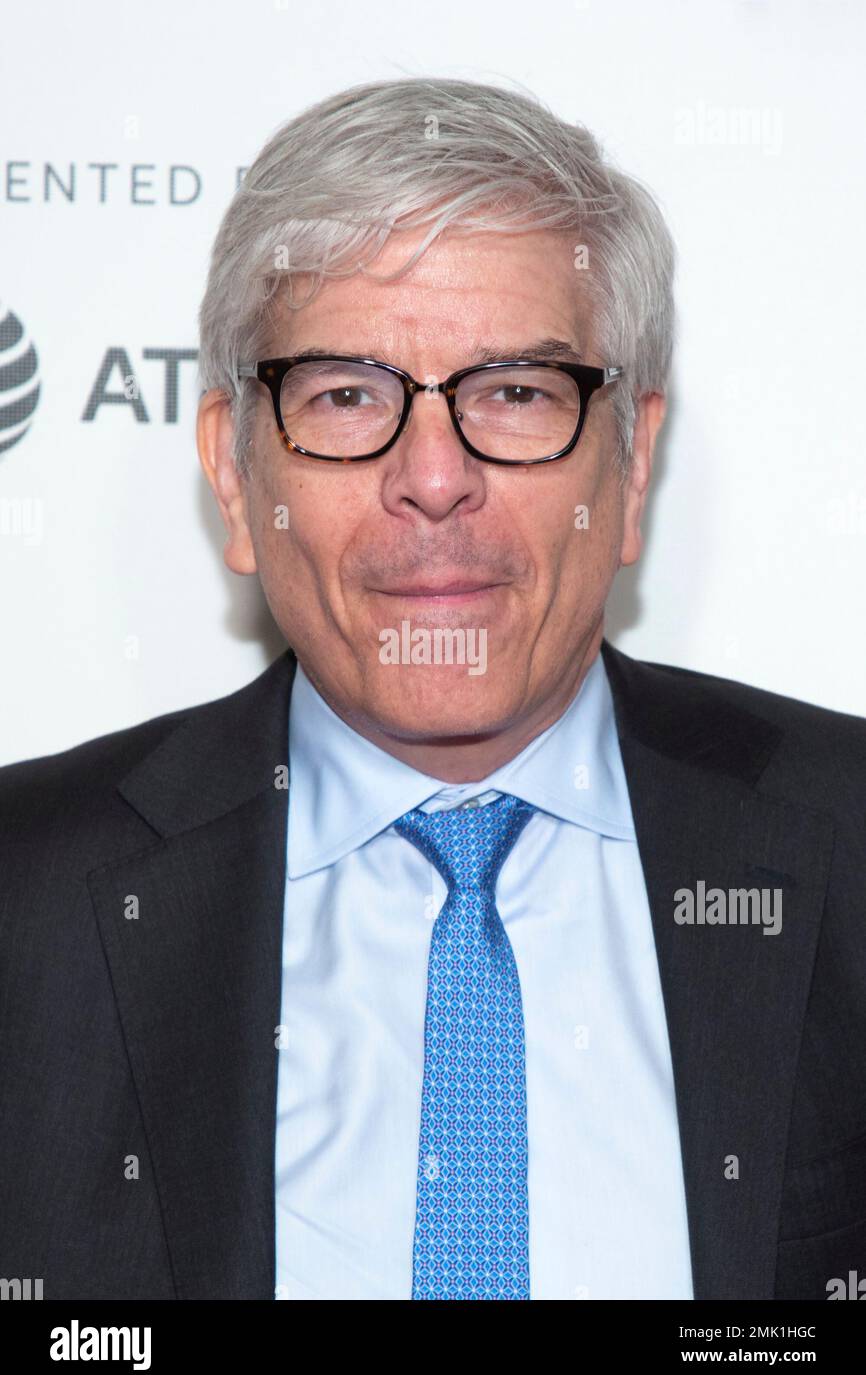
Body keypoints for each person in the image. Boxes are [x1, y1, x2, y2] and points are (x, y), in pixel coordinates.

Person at [1, 78, 864, 1302]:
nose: (433, 478)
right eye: (345, 395)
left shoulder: (848, 842)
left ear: (631, 463)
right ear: (235, 479)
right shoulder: (22, 901)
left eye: (514, 391)